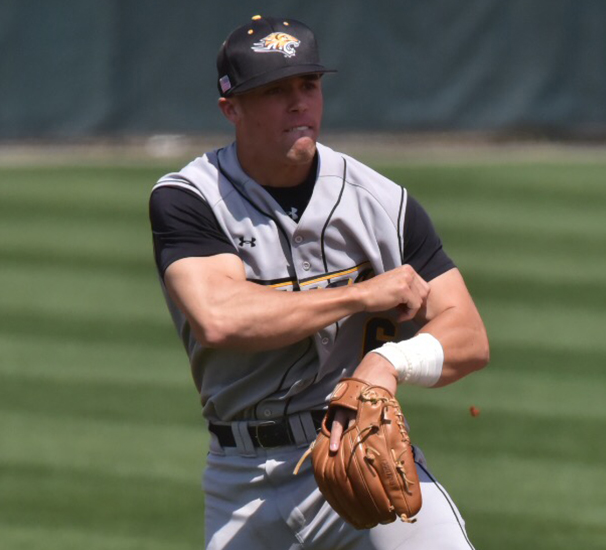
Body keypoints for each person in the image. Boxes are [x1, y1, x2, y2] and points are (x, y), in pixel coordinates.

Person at [149, 15, 490, 550]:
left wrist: (388, 362)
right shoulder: (191, 199)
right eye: (273, 90)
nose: (298, 102)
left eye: (308, 85)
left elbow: (469, 334)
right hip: (241, 483)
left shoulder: (381, 201)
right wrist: (361, 294)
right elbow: (220, 317)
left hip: (355, 448)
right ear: (230, 109)